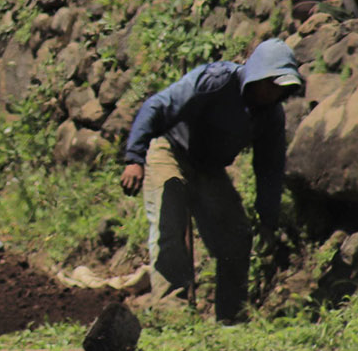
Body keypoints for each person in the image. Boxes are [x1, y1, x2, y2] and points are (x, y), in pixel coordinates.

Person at [119, 38, 303, 322]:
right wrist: (134, 158)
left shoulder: (271, 118)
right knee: (170, 224)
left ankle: (232, 317)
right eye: (270, 82)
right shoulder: (216, 81)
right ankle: (172, 313)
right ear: (257, 75)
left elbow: (269, 170)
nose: (273, 92)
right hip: (170, 149)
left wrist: (267, 219)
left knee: (236, 238)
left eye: (281, 87)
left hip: (210, 168)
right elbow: (157, 105)